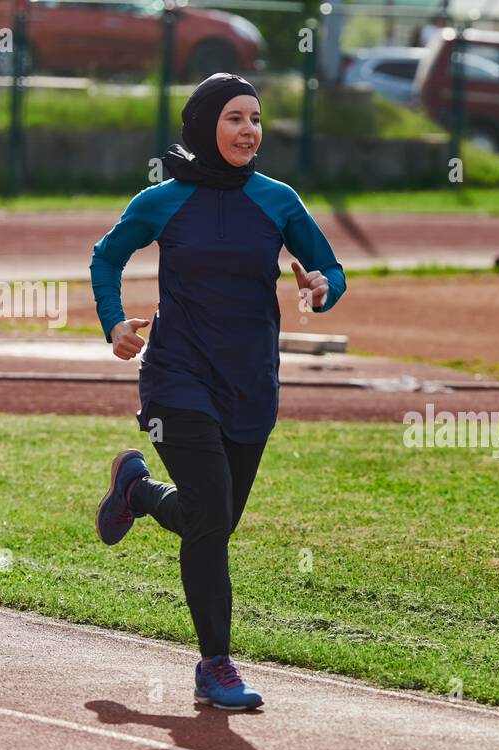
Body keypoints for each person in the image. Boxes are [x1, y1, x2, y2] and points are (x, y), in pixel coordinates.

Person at [90, 74, 346, 710]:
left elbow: (330, 269)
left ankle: (136, 491)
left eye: (255, 119)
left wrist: (321, 288)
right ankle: (216, 665)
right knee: (209, 516)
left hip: (251, 383)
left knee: (214, 520)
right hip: (177, 379)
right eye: (235, 118)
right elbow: (107, 256)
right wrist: (114, 322)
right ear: (206, 125)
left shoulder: (278, 200)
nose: (249, 131)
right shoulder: (162, 200)